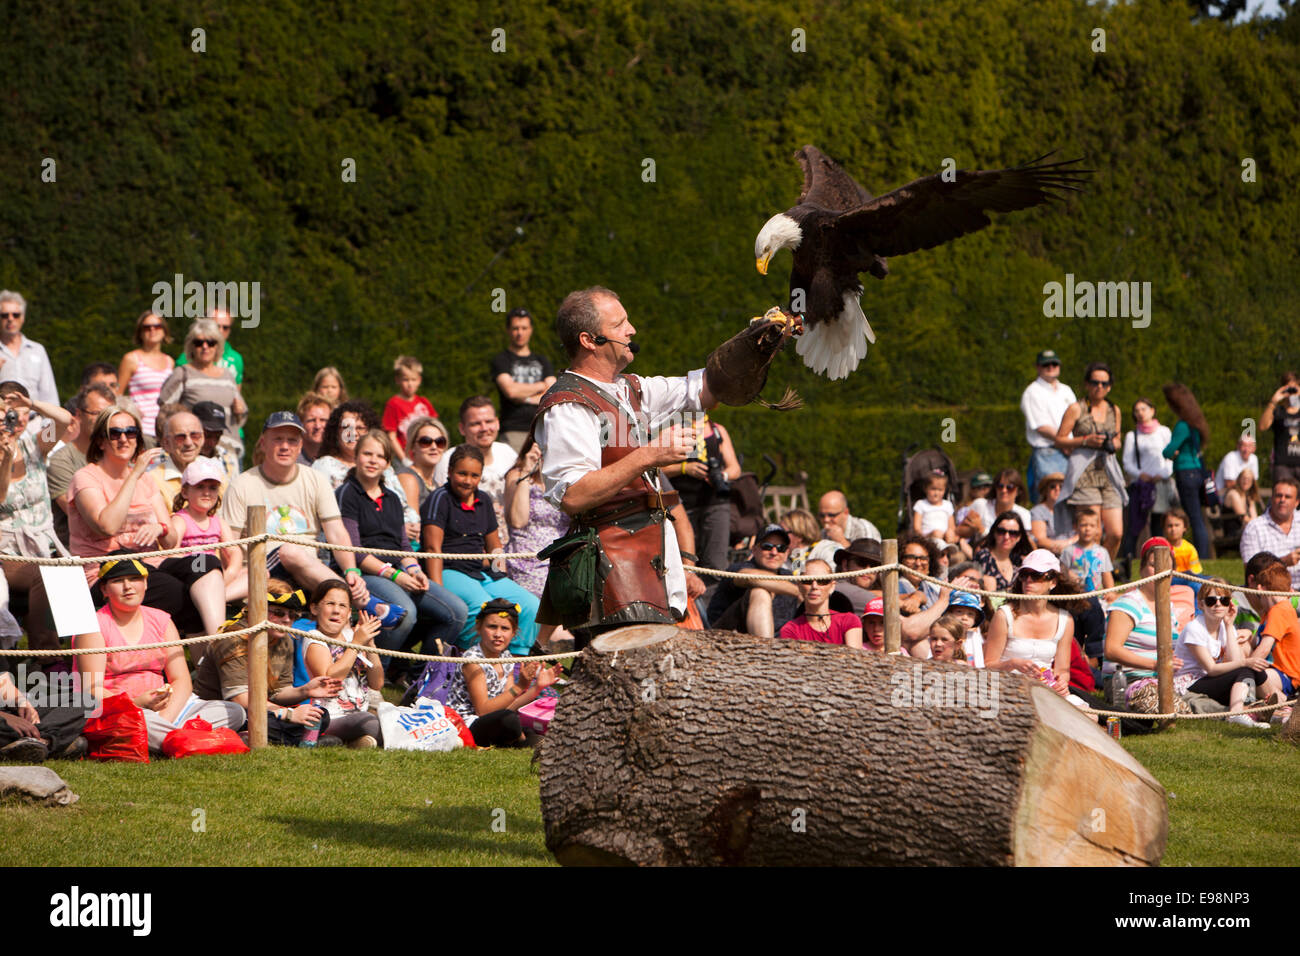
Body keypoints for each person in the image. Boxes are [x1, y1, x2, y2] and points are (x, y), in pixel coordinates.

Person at [532, 285, 718, 643]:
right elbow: (573, 494)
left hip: (649, 565)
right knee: (622, 691)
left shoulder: (629, 389)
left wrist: (759, 343)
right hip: (612, 572)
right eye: (620, 324)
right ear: (589, 340)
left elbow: (704, 390)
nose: (631, 330)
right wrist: (650, 454)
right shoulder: (568, 405)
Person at [64, 406, 217, 640]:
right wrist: (133, 475)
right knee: (177, 592)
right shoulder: (86, 477)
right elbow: (107, 526)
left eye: (131, 432)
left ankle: (219, 642)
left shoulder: (146, 479)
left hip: (153, 563)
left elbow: (171, 542)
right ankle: (203, 661)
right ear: (101, 442)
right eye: (115, 433)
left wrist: (161, 528)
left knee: (204, 562)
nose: (124, 438)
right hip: (106, 569)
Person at [75, 554, 245, 752]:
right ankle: (189, 739)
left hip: (166, 709)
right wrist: (137, 703)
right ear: (104, 589)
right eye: (118, 581)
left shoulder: (162, 620)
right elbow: (92, 690)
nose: (128, 586)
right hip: (121, 710)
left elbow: (182, 680)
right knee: (140, 722)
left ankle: (173, 739)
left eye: (134, 579)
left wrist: (166, 716)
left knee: (235, 711)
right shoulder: (93, 627)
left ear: (146, 583)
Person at [335, 432, 467, 686]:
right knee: (404, 613)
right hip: (366, 572)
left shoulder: (393, 498)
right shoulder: (347, 493)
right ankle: (375, 675)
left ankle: (418, 674)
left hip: (397, 568)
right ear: (356, 457)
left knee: (456, 612)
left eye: (380, 456)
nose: (373, 461)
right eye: (367, 454)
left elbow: (403, 544)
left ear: (387, 462)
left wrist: (415, 570)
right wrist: (396, 575)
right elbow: (355, 550)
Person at [220, 411, 368, 607]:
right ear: (263, 443)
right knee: (289, 551)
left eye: (292, 441)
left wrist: (351, 571)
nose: (284, 446)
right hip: (261, 576)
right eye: (278, 439)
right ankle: (356, 599)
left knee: (293, 553)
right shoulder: (242, 484)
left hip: (308, 575)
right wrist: (231, 575)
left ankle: (351, 596)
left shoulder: (316, 480)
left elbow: (337, 533)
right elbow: (229, 544)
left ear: (300, 446)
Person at [192, 583, 344, 747]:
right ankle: (297, 740)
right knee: (243, 716)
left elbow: (278, 692)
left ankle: (275, 738)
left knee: (321, 715)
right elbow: (241, 699)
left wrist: (306, 690)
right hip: (221, 711)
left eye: (292, 615)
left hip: (258, 710)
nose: (286, 620)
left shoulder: (285, 639)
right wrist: (288, 714)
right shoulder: (233, 639)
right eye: (278, 613)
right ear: (259, 610)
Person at [422, 444, 539, 653]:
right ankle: (475, 658)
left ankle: (517, 660)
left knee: (531, 605)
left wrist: (500, 576)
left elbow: (494, 545)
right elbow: (432, 547)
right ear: (449, 472)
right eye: (462, 473)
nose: (468, 480)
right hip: (450, 570)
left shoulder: (484, 500)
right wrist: (438, 593)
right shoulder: (440, 498)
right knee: (484, 607)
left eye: (474, 475)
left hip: (481, 572)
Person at [443, 598, 563, 748]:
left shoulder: (506, 658)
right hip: (467, 724)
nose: (498, 634)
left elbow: (510, 705)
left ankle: (523, 738)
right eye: (492, 627)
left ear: (513, 633)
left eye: (505, 629)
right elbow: (483, 711)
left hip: (496, 718)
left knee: (522, 715)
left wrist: (537, 687)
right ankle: (522, 741)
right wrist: (520, 687)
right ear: (479, 627)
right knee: (509, 719)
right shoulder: (473, 661)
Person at [1173, 577, 1274, 727]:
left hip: (1209, 680)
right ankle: (1237, 713)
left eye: (1224, 600)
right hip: (1189, 683)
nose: (1218, 604)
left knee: (1254, 671)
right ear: (1201, 604)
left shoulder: (1226, 626)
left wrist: (1228, 624)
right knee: (1246, 669)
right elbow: (1212, 669)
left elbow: (1235, 660)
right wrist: (1245, 662)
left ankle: (1277, 706)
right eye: (1211, 600)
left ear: (1230, 604)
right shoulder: (1194, 628)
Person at [312, 400, 419, 541]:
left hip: (396, 544)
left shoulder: (384, 467)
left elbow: (402, 505)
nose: (353, 433)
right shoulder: (323, 466)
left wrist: (411, 525)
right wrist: (395, 528)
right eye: (346, 427)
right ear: (336, 432)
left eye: (360, 428)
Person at [1104, 537, 1187, 714]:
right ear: (1142, 570)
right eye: (1153, 564)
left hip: (1163, 680)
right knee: (1173, 703)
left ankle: (1241, 710)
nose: (1160, 570)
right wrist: (1155, 665)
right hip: (1128, 681)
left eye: (1166, 566)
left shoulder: (1168, 606)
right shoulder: (1129, 602)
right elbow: (1111, 649)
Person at [303, 579, 385, 748]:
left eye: (342, 606)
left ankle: (356, 742)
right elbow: (330, 678)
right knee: (371, 721)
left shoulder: (352, 636)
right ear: (314, 608)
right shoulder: (314, 638)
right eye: (330, 603)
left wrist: (370, 644)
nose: (336, 610)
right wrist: (357, 643)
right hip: (330, 718)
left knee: (387, 715)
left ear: (349, 613)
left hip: (359, 714)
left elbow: (377, 683)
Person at [984, 550, 1076, 697]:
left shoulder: (1065, 620)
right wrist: (1012, 664)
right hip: (1006, 690)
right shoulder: (1004, 615)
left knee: (1091, 716)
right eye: (1024, 575)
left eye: (1036, 575)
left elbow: (1062, 670)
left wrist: (1062, 683)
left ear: (1052, 582)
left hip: (1046, 691)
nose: (1028, 580)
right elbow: (988, 665)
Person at [1055, 362, 1125, 556]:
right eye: (1095, 382)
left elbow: (1118, 438)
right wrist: (1086, 440)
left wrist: (1114, 443)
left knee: (1116, 533)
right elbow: (1059, 439)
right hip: (1084, 473)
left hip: (1109, 471)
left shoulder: (1114, 409)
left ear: (1110, 386)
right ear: (1086, 384)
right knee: (1093, 531)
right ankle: (1091, 578)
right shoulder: (1076, 408)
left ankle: (1103, 571)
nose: (1099, 387)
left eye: (1104, 383)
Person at [165, 457, 246, 619]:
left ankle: (216, 597)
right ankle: (209, 597)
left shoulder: (218, 521)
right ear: (185, 491)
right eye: (200, 487)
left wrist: (230, 573)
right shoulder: (181, 519)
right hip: (191, 573)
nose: (207, 493)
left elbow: (234, 551)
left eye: (213, 488)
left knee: (259, 573)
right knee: (203, 564)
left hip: (216, 577)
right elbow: (173, 553)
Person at [158, 319, 247, 466]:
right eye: (199, 343)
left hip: (229, 449)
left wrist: (240, 410)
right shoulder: (183, 373)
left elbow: (242, 415)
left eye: (211, 342)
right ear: (191, 346)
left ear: (218, 346)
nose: (205, 347)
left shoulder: (227, 375)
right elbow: (164, 411)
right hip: (195, 450)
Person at [433, 396, 517, 544]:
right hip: (470, 545)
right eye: (476, 424)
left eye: (489, 421)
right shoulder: (448, 460)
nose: (484, 428)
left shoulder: (508, 453)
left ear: (497, 423)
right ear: (462, 428)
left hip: (511, 543)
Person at [47, 384, 116, 546]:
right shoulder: (62, 461)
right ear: (79, 415)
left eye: (109, 415)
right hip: (81, 551)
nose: (104, 421)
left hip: (122, 545)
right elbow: (84, 517)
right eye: (97, 413)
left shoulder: (117, 455)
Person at [672, 412, 741, 570]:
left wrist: (721, 475)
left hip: (716, 504)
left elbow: (735, 468)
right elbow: (655, 467)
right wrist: (684, 468)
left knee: (715, 564)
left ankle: (711, 595)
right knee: (684, 563)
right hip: (681, 506)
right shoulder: (670, 427)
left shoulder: (717, 430)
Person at [706, 524, 801, 639]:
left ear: (786, 555)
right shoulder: (738, 568)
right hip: (723, 638)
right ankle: (765, 650)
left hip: (781, 647)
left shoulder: (790, 577)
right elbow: (751, 577)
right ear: (754, 550)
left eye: (781, 548)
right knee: (760, 591)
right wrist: (798, 591)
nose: (774, 552)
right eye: (767, 546)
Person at [504, 437, 569, 596]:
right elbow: (518, 521)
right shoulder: (517, 475)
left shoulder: (567, 478)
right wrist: (527, 472)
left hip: (562, 560)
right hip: (527, 560)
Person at [492, 308, 557, 452]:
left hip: (543, 428)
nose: (520, 333)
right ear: (508, 330)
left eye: (524, 328)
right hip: (513, 430)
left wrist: (525, 397)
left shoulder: (542, 360)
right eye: (515, 328)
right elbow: (511, 391)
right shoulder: (502, 360)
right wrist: (540, 385)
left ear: (531, 330)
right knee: (515, 472)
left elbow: (552, 392)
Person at [1119, 397, 1174, 565]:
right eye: (1137, 411)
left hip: (1160, 483)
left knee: (1158, 524)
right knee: (1134, 525)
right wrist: (1140, 474)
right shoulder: (1132, 435)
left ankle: (1160, 560)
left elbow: (1171, 456)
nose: (1140, 413)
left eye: (1143, 409)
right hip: (1140, 485)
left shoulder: (1164, 432)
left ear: (1152, 410)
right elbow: (1127, 462)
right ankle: (1128, 560)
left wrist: (1162, 474)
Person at [1162, 381, 1213, 562]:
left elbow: (1168, 450)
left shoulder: (1183, 425)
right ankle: (1204, 554)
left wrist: (1172, 452)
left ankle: (1202, 555)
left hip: (1186, 472)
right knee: (1198, 516)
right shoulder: (1196, 422)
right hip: (1197, 472)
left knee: (1193, 517)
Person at [1242, 556, 1300, 713]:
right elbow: (1255, 642)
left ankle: (1282, 705)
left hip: (1286, 675)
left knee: (1250, 673)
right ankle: (1258, 704)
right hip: (1276, 670)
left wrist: (1243, 666)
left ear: (1260, 589)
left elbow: (1264, 648)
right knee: (1247, 666)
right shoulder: (1270, 612)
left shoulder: (1279, 610)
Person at [1020, 349, 1075, 502]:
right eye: (1046, 365)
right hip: (1048, 453)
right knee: (1049, 501)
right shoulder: (1032, 392)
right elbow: (1041, 426)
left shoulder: (1066, 390)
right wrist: (1065, 442)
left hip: (1071, 451)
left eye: (1054, 364)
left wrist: (1072, 444)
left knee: (1071, 500)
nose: (1051, 367)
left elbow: (1076, 418)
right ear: (1038, 367)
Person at [0, 669, 87, 762]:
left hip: (8, 712)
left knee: (83, 700)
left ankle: (37, 740)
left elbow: (3, 682)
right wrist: (5, 717)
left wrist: (22, 703)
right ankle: (53, 743)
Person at [117, 311, 175, 441]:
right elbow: (117, 394)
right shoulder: (131, 359)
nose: (152, 330)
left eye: (157, 326)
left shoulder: (169, 361)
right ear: (140, 332)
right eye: (147, 327)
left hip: (164, 430)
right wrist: (130, 410)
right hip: (141, 429)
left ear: (164, 330)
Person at [779, 559, 863, 647]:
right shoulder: (790, 629)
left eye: (822, 581)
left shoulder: (849, 620)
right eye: (807, 581)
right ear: (799, 586)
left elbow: (854, 658)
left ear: (832, 586)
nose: (814, 586)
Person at [0, 290, 58, 410]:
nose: (10, 319)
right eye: (5, 315)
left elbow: (48, 393)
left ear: (23, 318)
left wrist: (50, 424)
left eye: (16, 315)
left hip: (34, 422)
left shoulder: (37, 350)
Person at [1239, 477, 1300, 591]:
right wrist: (1283, 562)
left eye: (1287, 497)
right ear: (1271, 499)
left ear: (1297, 502)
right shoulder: (1255, 528)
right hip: (1271, 594)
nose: (1282, 500)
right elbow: (1251, 572)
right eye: (1278, 495)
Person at [382, 355, 438, 460]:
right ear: (397, 380)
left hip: (426, 456)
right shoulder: (393, 404)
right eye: (406, 380)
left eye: (413, 379)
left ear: (419, 380)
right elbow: (391, 437)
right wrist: (404, 459)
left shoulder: (424, 402)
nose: (410, 384)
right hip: (405, 457)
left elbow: (436, 430)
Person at [808, 489, 882, 565]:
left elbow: (867, 562)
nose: (826, 519)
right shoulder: (823, 533)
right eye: (821, 515)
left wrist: (842, 541)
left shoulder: (863, 528)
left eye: (831, 515)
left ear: (846, 512)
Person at [397, 416, 450, 514]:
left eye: (440, 442)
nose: (434, 447)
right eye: (425, 441)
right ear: (412, 446)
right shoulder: (408, 478)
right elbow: (413, 523)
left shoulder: (437, 485)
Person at [974, 511, 1032, 594]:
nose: (1006, 537)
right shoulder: (983, 556)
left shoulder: (1020, 563)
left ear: (1019, 537)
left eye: (1013, 533)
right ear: (994, 532)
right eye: (1001, 531)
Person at [968, 469, 1033, 541]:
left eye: (1010, 487)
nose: (1004, 490)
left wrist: (981, 529)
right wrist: (971, 528)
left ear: (1018, 491)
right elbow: (961, 531)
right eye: (1000, 486)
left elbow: (1025, 543)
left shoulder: (1024, 514)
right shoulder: (980, 505)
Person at [1259, 372, 1300, 485]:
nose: (1291, 393)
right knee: (1283, 498)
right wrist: (1273, 401)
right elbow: (1262, 426)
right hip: (1283, 465)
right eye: (1288, 389)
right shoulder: (1278, 411)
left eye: (1294, 388)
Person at [1060, 508, 1114, 593]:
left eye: (1092, 525)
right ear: (1075, 527)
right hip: (1076, 596)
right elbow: (1062, 573)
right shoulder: (1068, 551)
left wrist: (1110, 592)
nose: (1087, 529)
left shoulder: (1102, 552)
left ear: (1097, 528)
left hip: (1097, 596)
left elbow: (1107, 576)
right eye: (1083, 525)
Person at [190, 401, 240, 485]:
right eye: (207, 436)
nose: (212, 443)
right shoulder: (175, 457)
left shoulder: (228, 459)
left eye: (217, 437)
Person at [831, 537, 882, 615]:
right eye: (862, 562)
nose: (868, 569)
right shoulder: (839, 587)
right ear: (845, 565)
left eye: (874, 565)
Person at [1029, 473, 1075, 555]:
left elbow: (1081, 533)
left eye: (1061, 487)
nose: (1057, 489)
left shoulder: (1072, 509)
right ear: (1046, 490)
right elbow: (1040, 540)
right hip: (1049, 554)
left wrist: (1068, 544)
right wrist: (1063, 547)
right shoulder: (1037, 511)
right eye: (1053, 486)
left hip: (1074, 552)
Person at [912, 472, 957, 543]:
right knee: (937, 533)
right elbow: (917, 528)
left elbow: (952, 526)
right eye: (933, 489)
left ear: (945, 490)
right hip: (928, 538)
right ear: (925, 489)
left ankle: (949, 550)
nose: (936, 493)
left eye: (940, 490)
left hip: (945, 538)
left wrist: (950, 534)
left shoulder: (948, 505)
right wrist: (925, 536)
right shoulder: (921, 504)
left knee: (950, 533)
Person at [954, 471, 994, 551]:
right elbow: (960, 531)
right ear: (972, 490)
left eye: (989, 486)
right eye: (981, 487)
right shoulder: (965, 509)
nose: (986, 490)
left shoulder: (995, 505)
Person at [946, 591, 986, 666]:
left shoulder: (975, 637)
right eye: (959, 612)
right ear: (950, 613)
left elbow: (979, 664)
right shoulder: (943, 634)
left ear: (975, 618)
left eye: (970, 614)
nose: (964, 617)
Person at [1215, 434, 1260, 498]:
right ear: (1238, 446)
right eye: (1244, 445)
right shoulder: (1230, 457)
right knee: (1235, 495)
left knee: (1251, 498)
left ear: (1254, 449)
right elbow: (1229, 484)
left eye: (1249, 446)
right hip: (1223, 496)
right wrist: (1247, 484)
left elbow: (1254, 482)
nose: (1246, 449)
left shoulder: (1254, 459)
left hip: (1243, 495)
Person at [779, 507, 821, 574]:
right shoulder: (781, 556)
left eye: (782, 532)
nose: (778, 537)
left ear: (798, 534)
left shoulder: (824, 549)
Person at [1222, 466, 1262, 535]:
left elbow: (1254, 517)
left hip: (1245, 530)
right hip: (1232, 532)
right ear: (1239, 479)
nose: (1246, 481)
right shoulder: (1233, 494)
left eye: (1249, 479)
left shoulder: (1248, 496)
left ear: (1252, 482)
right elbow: (1243, 518)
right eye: (1244, 478)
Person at [1163, 509, 1202, 576]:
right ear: (1164, 527)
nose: (1173, 529)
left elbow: (1196, 572)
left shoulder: (1190, 549)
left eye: (1177, 525)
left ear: (1185, 527)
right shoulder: (1161, 547)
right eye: (1170, 526)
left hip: (1187, 580)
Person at [296, 392, 332, 465]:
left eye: (323, 420)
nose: (317, 426)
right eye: (311, 420)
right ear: (301, 423)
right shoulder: (291, 460)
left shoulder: (339, 459)